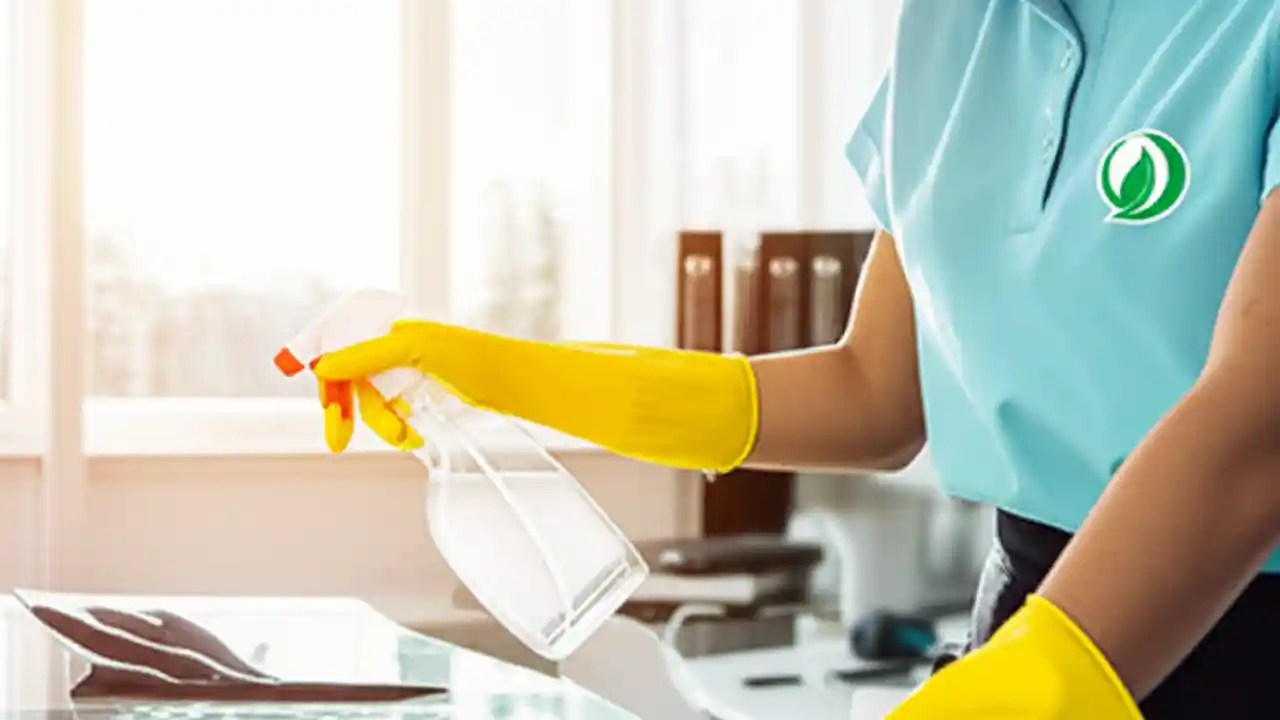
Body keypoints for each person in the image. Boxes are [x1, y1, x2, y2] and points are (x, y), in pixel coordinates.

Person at [311, 1, 1280, 717]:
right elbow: (872, 391)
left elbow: (1257, 428)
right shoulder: (954, 28)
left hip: (1219, 638)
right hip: (1028, 622)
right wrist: (509, 376)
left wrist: (1026, 689)